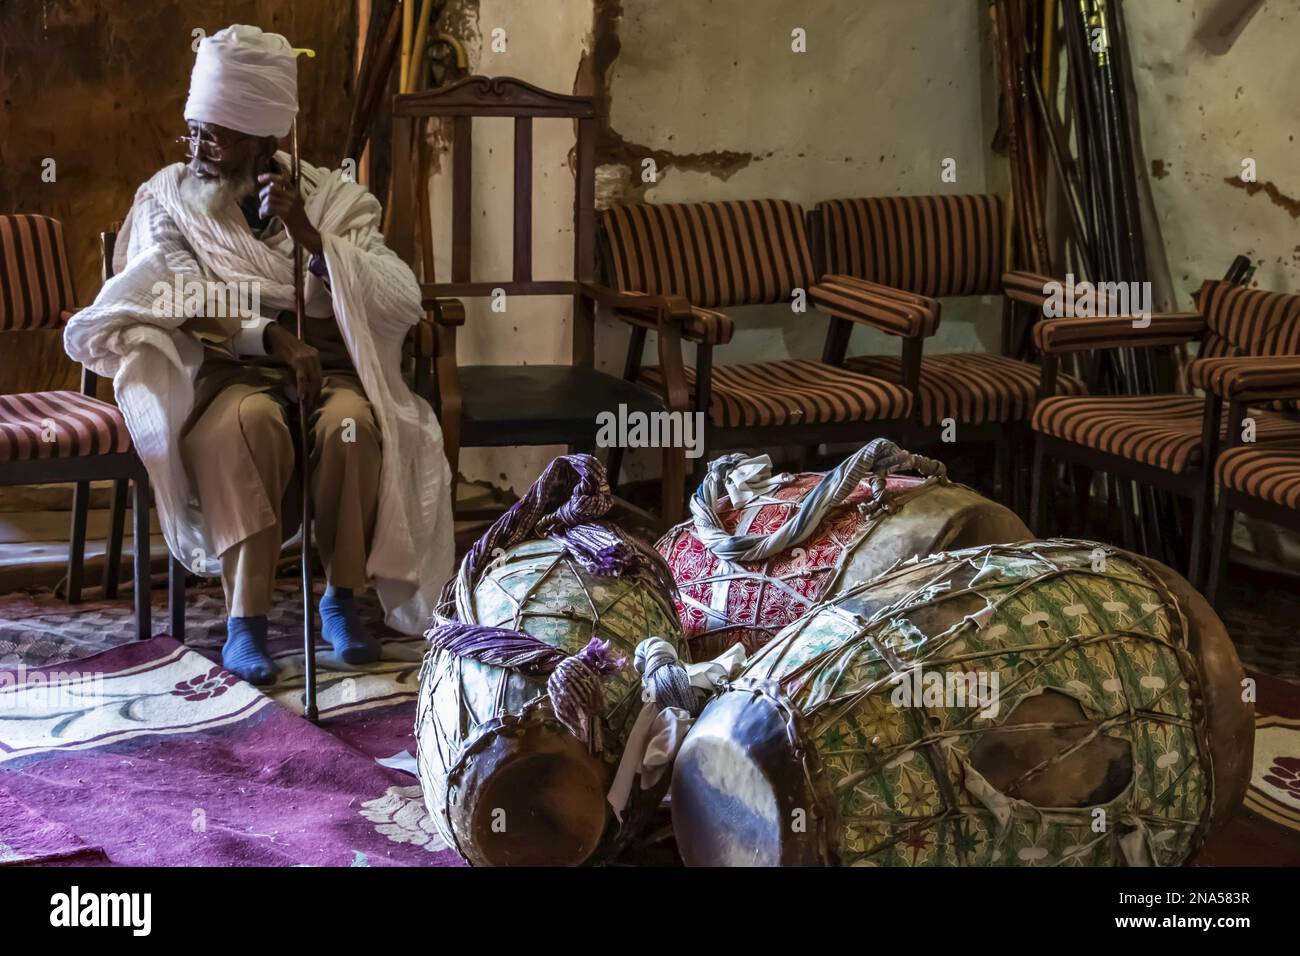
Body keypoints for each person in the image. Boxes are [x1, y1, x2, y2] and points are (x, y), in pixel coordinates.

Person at [65, 25, 455, 684]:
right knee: (252, 426)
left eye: (214, 135)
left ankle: (342, 598)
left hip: (331, 373)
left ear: (265, 139)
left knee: (350, 426)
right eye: (193, 130)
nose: (196, 149)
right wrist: (269, 335)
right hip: (224, 377)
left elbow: (399, 297)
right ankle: (244, 620)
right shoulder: (168, 198)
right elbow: (173, 290)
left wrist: (314, 241)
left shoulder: (337, 201)